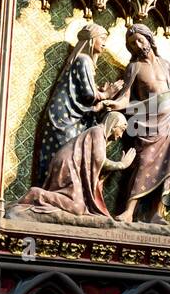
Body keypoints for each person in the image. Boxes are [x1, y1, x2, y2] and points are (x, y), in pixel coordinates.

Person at [97, 22, 170, 223]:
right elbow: (126, 96)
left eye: (139, 40)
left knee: (168, 165)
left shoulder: (165, 64)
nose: (137, 46)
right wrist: (113, 104)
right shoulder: (134, 67)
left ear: (149, 39)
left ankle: (156, 213)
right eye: (132, 44)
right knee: (143, 162)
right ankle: (129, 211)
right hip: (148, 120)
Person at [32, 23, 122, 186]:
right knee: (64, 154)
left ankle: (59, 193)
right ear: (91, 39)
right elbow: (88, 95)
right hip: (64, 118)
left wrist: (99, 95)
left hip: (70, 116)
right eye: (102, 38)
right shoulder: (83, 60)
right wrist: (107, 94)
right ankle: (52, 192)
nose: (104, 43)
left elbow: (85, 93)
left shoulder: (85, 61)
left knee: (68, 155)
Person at [12, 113, 134, 217]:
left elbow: (95, 163)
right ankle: (37, 194)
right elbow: (99, 160)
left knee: (78, 207)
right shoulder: (98, 132)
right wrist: (121, 165)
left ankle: (40, 195)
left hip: (69, 164)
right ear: (113, 124)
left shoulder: (99, 134)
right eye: (122, 130)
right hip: (68, 165)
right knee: (78, 207)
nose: (121, 135)